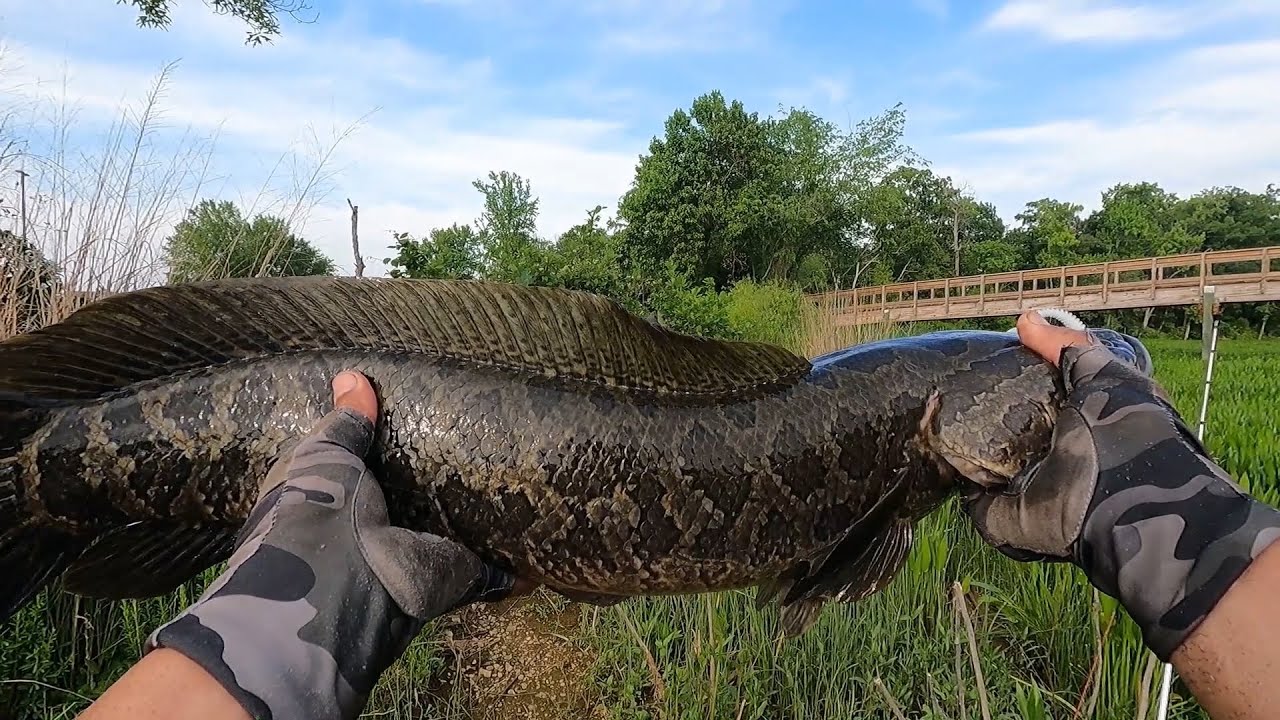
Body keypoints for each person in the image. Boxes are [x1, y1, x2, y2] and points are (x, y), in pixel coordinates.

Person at [79, 312, 1280, 720]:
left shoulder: (909, 439)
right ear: (948, 408)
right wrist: (1189, 533)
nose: (1056, 390)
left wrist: (258, 643)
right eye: (1050, 381)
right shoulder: (913, 423)